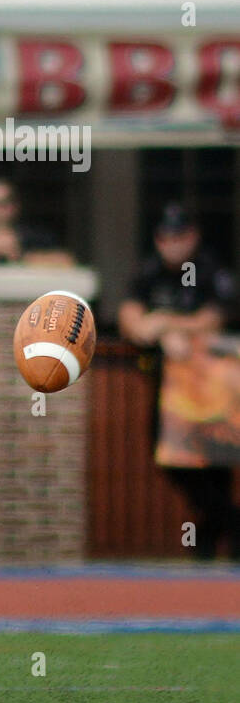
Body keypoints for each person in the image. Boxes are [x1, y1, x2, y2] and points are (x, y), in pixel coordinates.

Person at [119, 203, 240, 560]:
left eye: (180, 236)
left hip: (213, 387)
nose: (171, 244)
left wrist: (167, 324)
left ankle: (216, 539)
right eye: (165, 237)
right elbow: (132, 317)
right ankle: (226, 528)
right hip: (170, 388)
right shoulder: (150, 272)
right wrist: (152, 328)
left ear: (193, 236)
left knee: (216, 462)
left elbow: (214, 318)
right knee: (173, 460)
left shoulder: (210, 268)